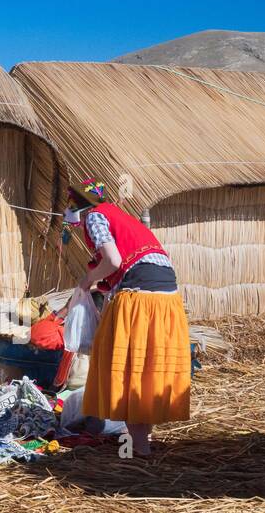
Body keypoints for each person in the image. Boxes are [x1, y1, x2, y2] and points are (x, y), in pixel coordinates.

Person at [65, 178, 190, 456]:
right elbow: (129, 264)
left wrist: (87, 280)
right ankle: (140, 445)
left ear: (80, 207)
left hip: (139, 299)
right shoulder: (124, 218)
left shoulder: (96, 216)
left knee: (129, 368)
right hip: (166, 298)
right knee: (146, 369)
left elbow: (113, 260)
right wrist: (102, 284)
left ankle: (137, 449)